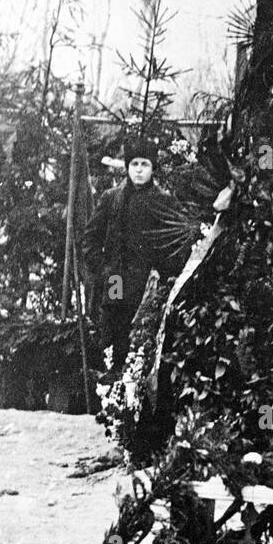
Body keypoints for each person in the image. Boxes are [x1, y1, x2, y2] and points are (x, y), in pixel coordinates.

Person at [82, 135, 180, 375]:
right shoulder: (112, 198)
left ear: (153, 169)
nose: (138, 170)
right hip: (116, 278)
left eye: (144, 165)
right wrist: (103, 270)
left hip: (148, 283)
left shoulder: (164, 201)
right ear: (127, 167)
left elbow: (174, 245)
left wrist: (164, 276)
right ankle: (115, 390)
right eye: (134, 164)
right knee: (115, 329)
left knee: (144, 339)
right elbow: (89, 240)